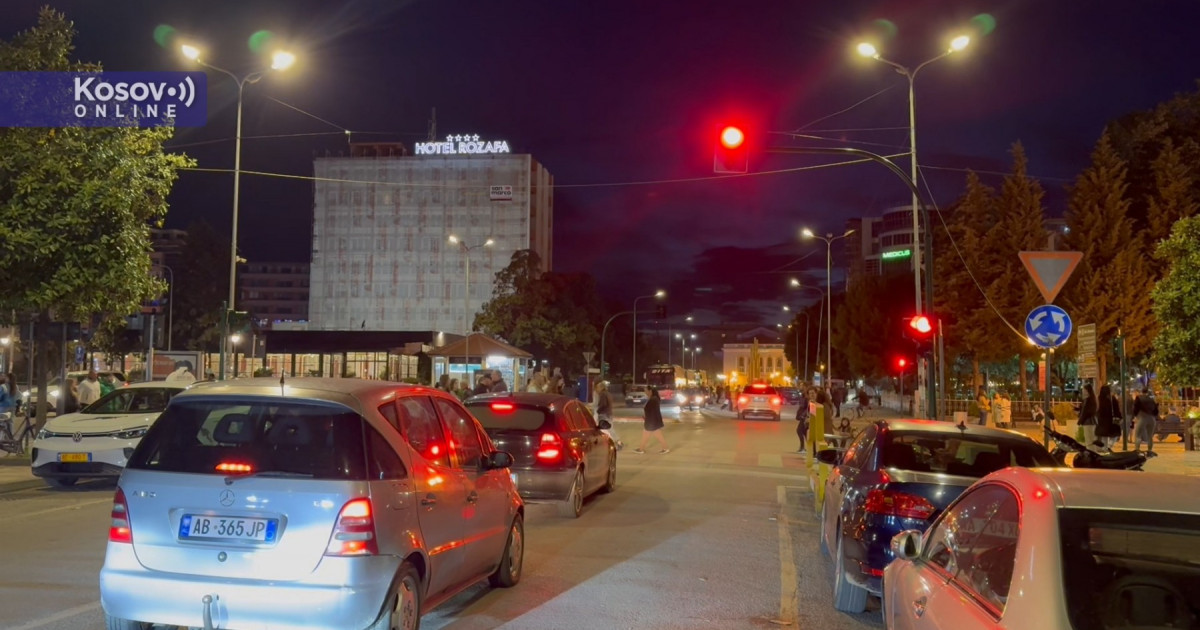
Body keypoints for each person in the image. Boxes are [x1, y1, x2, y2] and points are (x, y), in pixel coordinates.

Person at [633, 386, 669, 454]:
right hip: (652, 421)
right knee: (647, 435)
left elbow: (652, 411)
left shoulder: (653, 399)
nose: (645, 392)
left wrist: (647, 418)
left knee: (655, 435)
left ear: (650, 391)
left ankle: (642, 449)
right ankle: (641, 448)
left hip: (652, 422)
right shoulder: (654, 399)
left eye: (646, 391)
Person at [1131, 387, 1159, 456]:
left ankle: (1137, 450)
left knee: (1138, 435)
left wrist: (1135, 416)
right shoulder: (1151, 399)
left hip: (1142, 417)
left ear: (1141, 391)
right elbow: (1156, 411)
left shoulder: (1138, 398)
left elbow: (1135, 408)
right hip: (1152, 419)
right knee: (1150, 436)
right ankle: (1150, 450)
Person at [594, 381, 622, 449]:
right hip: (608, 414)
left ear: (601, 387)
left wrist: (598, 411)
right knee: (609, 429)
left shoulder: (603, 394)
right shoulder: (608, 393)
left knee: (607, 429)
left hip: (604, 414)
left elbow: (603, 404)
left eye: (597, 388)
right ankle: (617, 443)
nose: (596, 389)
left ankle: (617, 443)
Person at [1095, 384, 1120, 452]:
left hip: (1100, 419)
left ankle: (1102, 447)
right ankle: (1107, 446)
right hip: (1109, 419)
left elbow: (1096, 408)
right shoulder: (1112, 399)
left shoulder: (1099, 398)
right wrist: (1119, 416)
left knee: (1102, 434)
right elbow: (1116, 409)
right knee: (1114, 433)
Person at [794, 388, 810, 452]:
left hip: (805, 418)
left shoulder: (807, 398)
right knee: (804, 432)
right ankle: (806, 447)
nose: (801, 388)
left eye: (803, 387)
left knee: (799, 431)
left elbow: (807, 408)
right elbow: (801, 407)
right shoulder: (803, 397)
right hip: (802, 417)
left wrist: (803, 415)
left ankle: (803, 447)